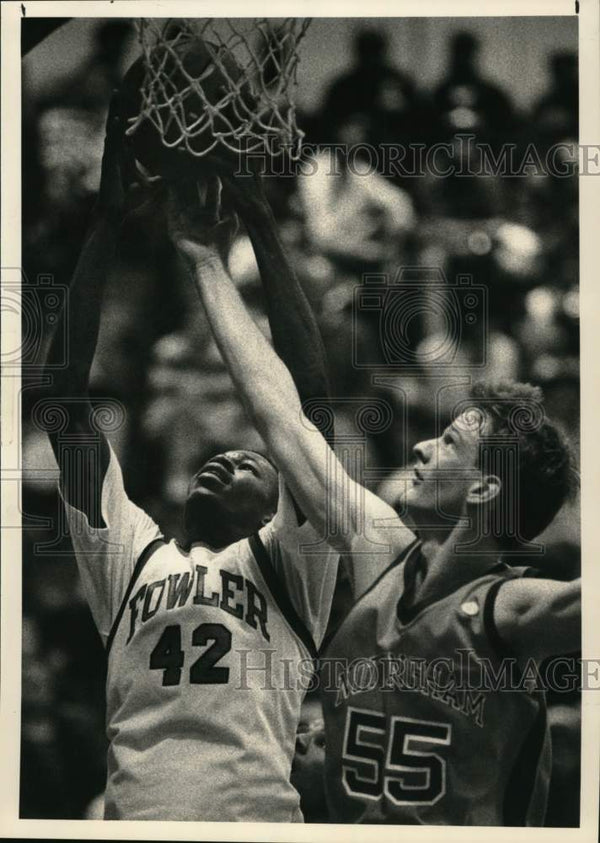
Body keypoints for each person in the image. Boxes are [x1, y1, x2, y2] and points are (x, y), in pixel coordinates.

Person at [178, 168, 581, 826]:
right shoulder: (381, 552)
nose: (420, 447)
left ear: (486, 487)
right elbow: (281, 417)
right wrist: (206, 259)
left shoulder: (509, 609)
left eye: (449, 443)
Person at [43, 96, 339, 822]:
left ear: (278, 507)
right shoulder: (129, 559)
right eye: (232, 457)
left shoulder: (289, 567)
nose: (227, 460)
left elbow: (309, 409)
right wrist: (107, 221)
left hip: (253, 822)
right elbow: (65, 401)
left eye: (252, 463)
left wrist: (261, 220)